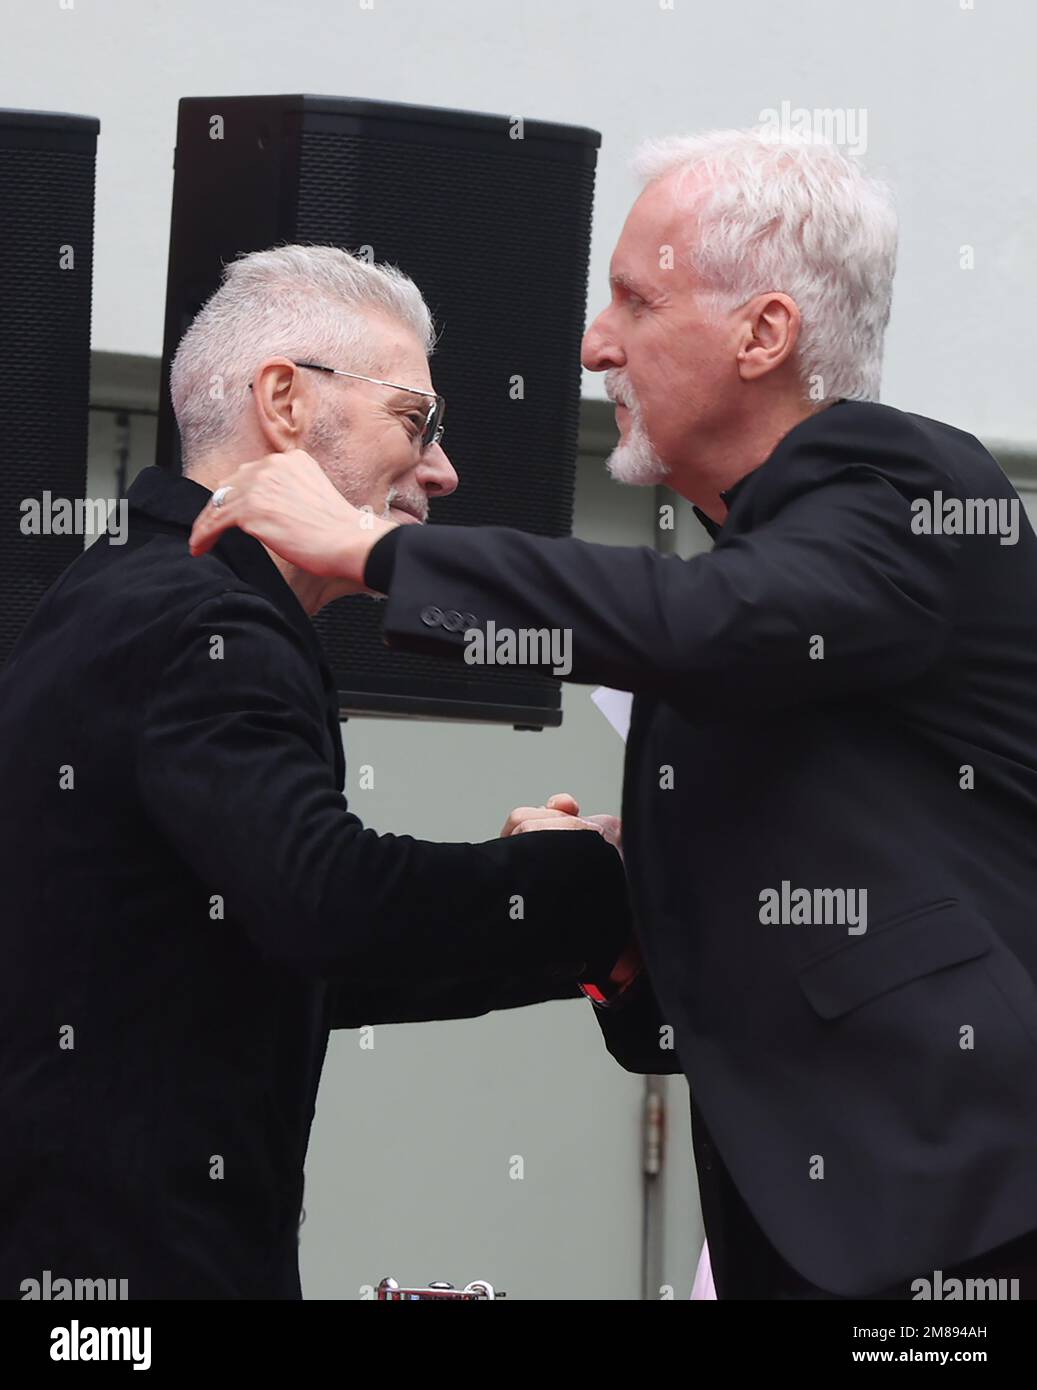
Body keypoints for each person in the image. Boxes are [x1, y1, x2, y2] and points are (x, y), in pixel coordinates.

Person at [191, 131, 1037, 1299]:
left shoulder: (903, 488)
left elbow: (714, 619)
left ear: (763, 334)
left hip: (966, 1221)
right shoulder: (744, 579)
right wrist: (625, 906)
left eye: (635, 301)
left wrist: (378, 551)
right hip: (830, 1233)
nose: (593, 343)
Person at [0, 245, 635, 1301]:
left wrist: (546, 903)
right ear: (286, 402)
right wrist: (586, 882)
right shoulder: (208, 621)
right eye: (416, 422)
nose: (443, 470)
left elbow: (275, 951)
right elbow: (327, 905)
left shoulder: (116, 589)